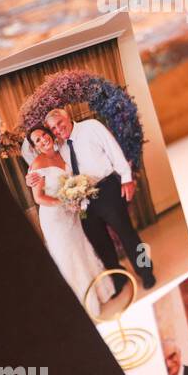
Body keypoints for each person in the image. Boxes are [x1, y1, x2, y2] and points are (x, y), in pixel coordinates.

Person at [44, 106, 156, 292]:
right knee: (99, 242)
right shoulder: (60, 147)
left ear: (67, 117)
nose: (57, 130)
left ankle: (146, 271)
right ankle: (118, 278)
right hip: (84, 199)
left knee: (127, 233)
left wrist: (126, 178)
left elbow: (114, 150)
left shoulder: (91, 127)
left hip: (107, 189)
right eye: (53, 128)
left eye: (59, 124)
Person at [23, 124, 115, 310]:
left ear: (49, 135)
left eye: (43, 135)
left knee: (81, 247)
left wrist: (76, 196)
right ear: (35, 147)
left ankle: (99, 292)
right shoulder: (37, 165)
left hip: (71, 213)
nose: (43, 140)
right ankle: (82, 303)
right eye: (37, 140)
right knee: (68, 254)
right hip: (54, 218)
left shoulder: (62, 154)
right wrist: (65, 202)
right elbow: (39, 197)